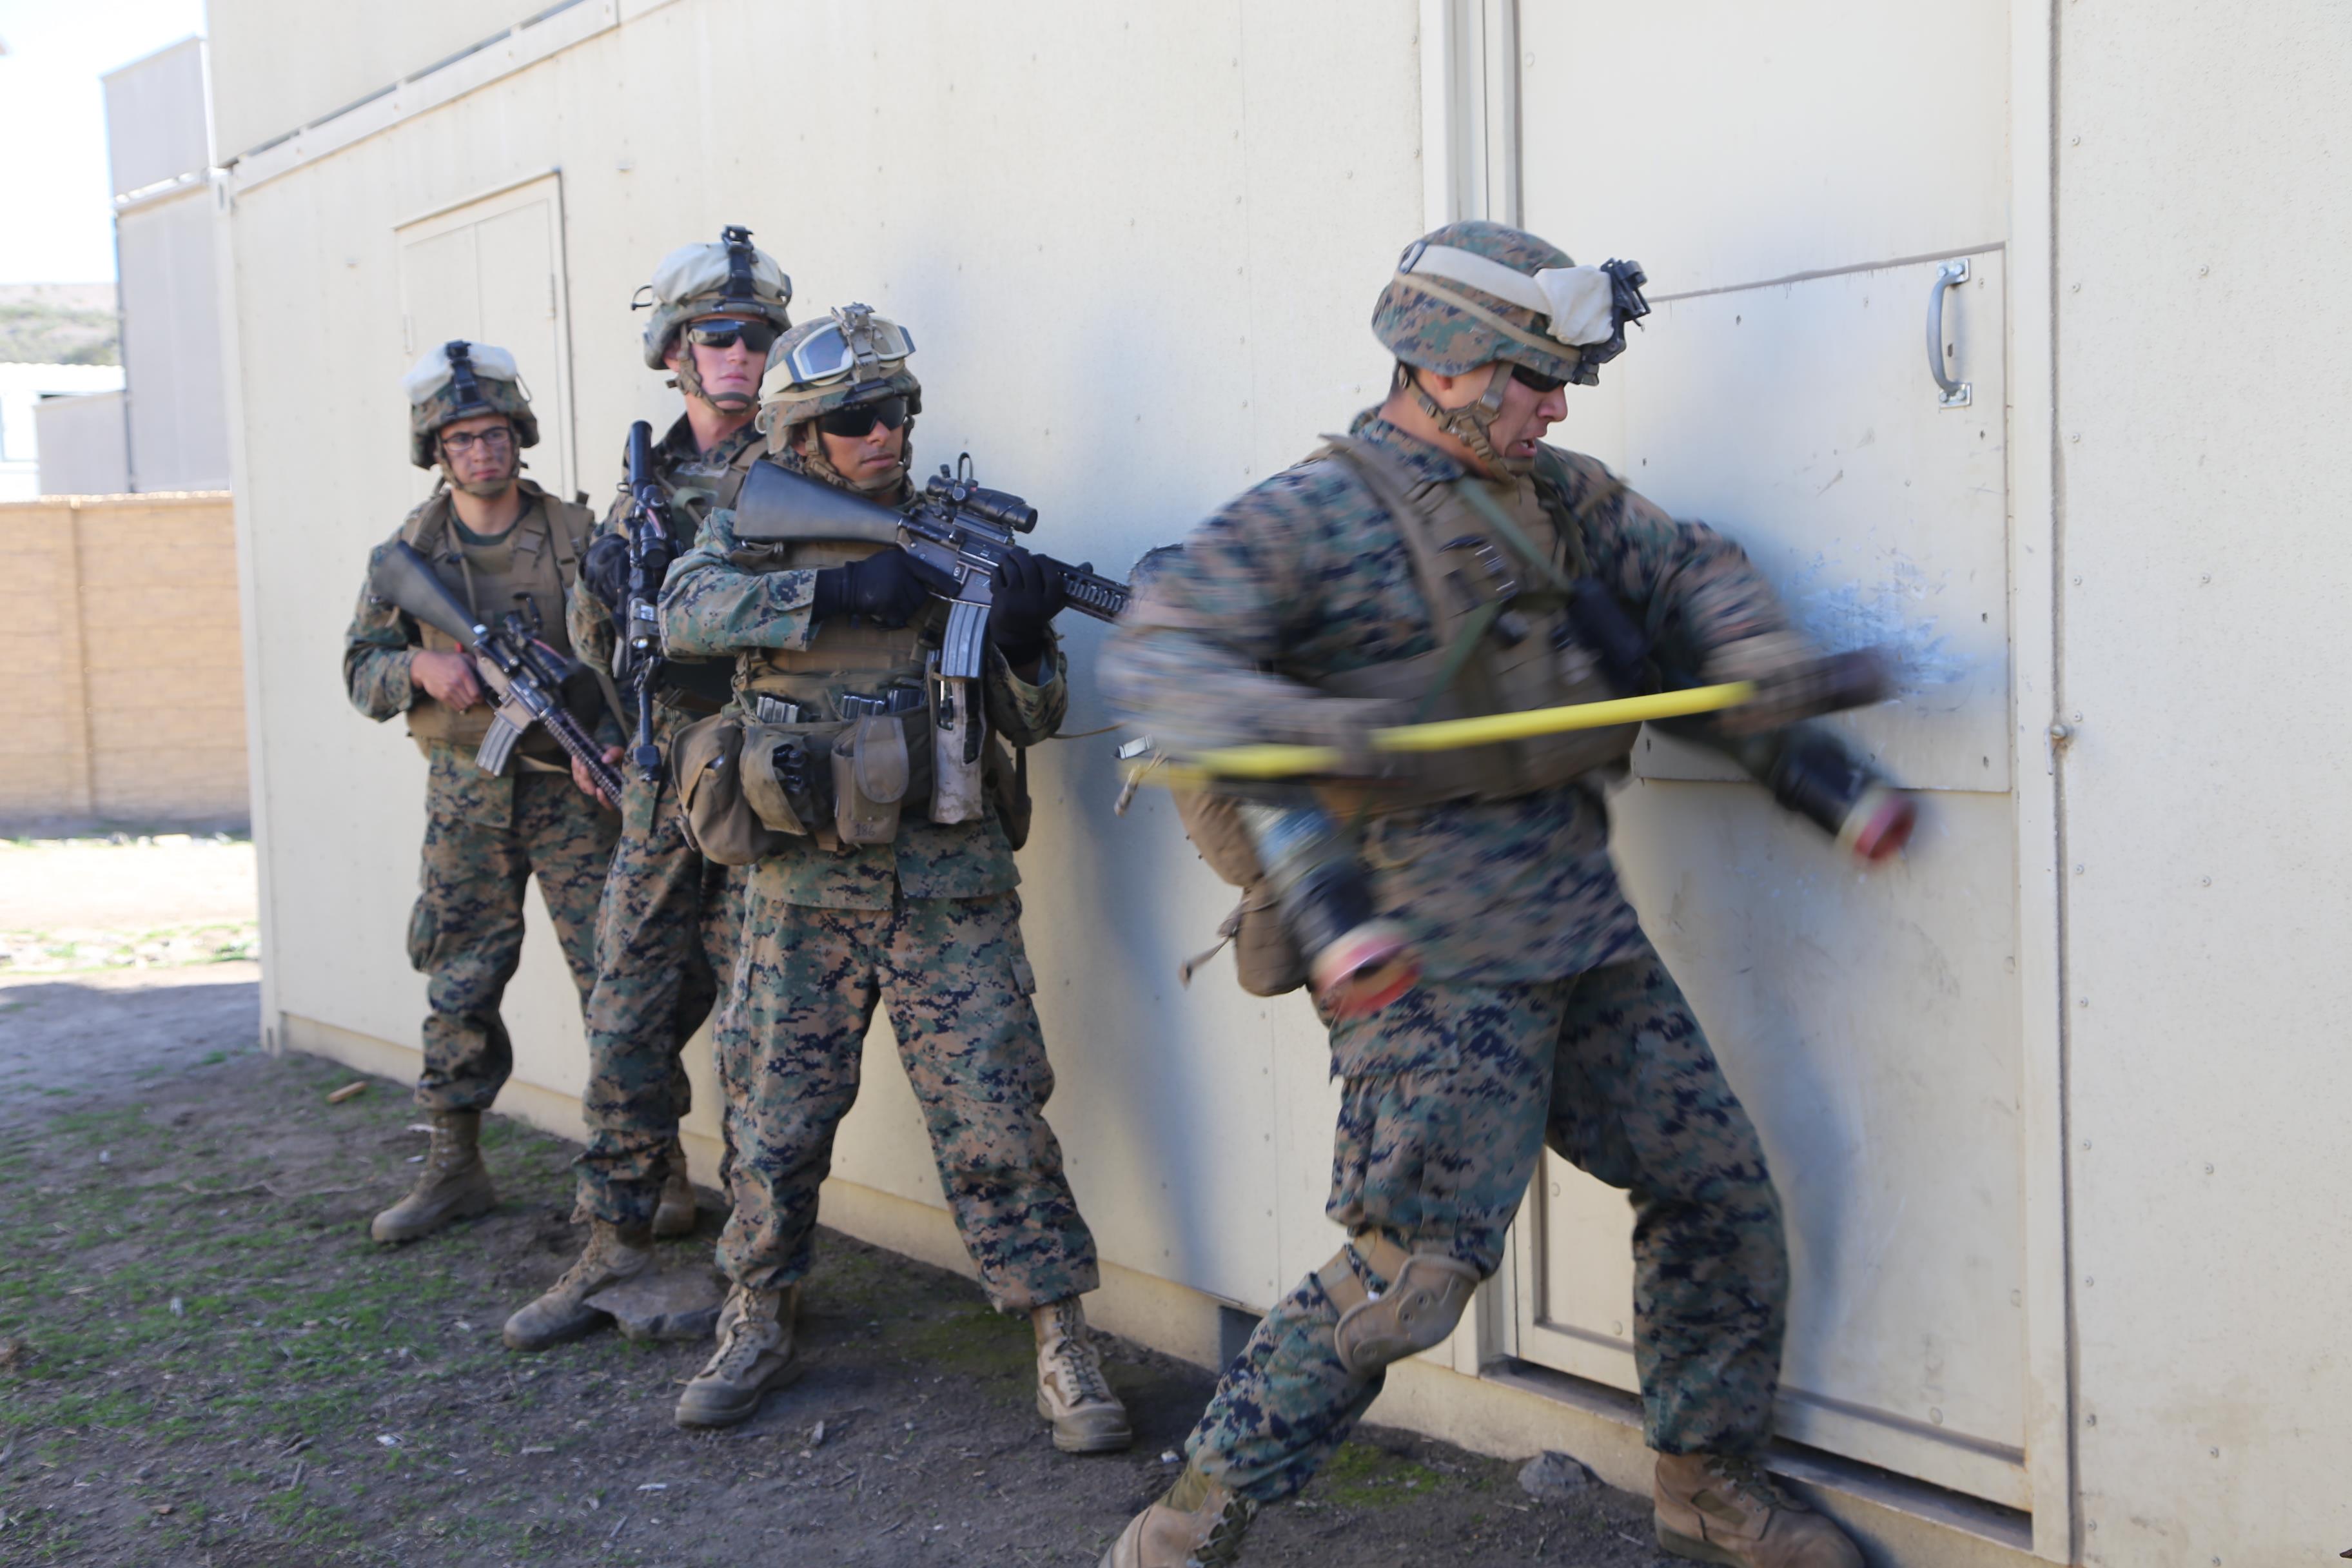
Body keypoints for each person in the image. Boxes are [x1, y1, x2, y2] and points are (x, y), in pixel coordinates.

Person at [1097, 221, 1897, 1568]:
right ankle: (1184, 1526)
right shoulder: (1315, 514)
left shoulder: (1562, 498)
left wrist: (1753, 656)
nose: (1557, 406)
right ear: (1443, 365)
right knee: (1411, 1282)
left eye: (1559, 379)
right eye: (1532, 379)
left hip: (1580, 925)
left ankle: (1706, 1480)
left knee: (1714, 1192)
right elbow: (1162, 647)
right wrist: (1300, 726)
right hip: (1421, 945)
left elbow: (1689, 565)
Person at [654, 305, 1131, 1452]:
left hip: (947, 883)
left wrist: (1018, 637)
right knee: (774, 1121)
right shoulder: (754, 526)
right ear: (807, 436)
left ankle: (1059, 1335)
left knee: (998, 1118)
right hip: (797, 888)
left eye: (900, 412)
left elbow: (1037, 715)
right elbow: (681, 612)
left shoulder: (952, 535)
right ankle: (758, 1312)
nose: (887, 435)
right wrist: (831, 594)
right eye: (860, 418)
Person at [500, 228, 794, 1351]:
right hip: (662, 791)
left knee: (764, 1045)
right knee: (625, 1015)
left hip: (775, 790)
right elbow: (600, 639)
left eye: (756, 334)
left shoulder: (807, 465)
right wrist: (609, 743)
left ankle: (761, 1281)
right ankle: (615, 1240)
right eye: (715, 335)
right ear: (675, 352)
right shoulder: (641, 497)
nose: (739, 352)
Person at [344, 339, 618, 1246]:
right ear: (438, 449)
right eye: (461, 438)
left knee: (618, 982)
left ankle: (639, 1171)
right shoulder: (411, 551)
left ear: (519, 436)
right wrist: (420, 664)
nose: (482, 452)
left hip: (574, 793)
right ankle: (453, 1166)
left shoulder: (579, 537)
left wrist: (608, 737)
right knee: (460, 977)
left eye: (495, 433)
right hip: (467, 792)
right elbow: (360, 668)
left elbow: (628, 658)